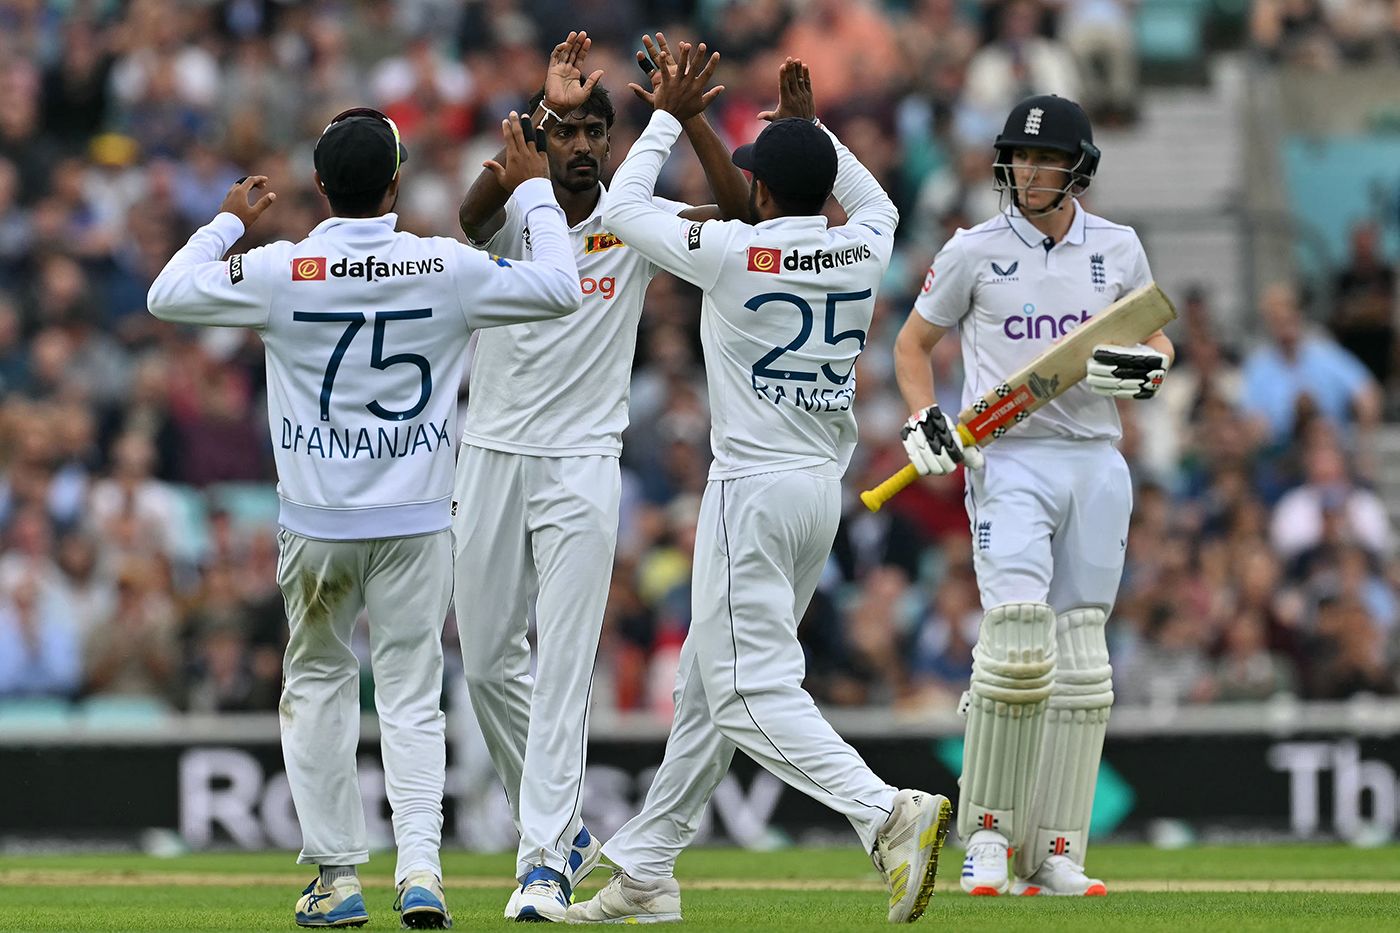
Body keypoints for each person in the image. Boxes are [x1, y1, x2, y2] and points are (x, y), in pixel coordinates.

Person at [147, 106, 582, 929]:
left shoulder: (282, 267)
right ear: (396, 182)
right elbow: (560, 287)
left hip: (316, 522)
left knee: (317, 687)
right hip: (417, 519)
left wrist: (225, 224)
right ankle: (421, 870)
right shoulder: (443, 265)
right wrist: (532, 195)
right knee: (414, 695)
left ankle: (338, 878)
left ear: (318, 186)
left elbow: (165, 295)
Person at [566, 52, 952, 925]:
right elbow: (877, 199)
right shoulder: (866, 244)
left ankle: (885, 811)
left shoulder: (735, 252)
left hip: (751, 490)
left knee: (744, 691)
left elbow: (622, 211)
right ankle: (648, 870)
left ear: (766, 194)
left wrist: (665, 115)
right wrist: (811, 131)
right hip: (820, 491)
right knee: (707, 690)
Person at [452, 31, 750, 922]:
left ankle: (542, 861)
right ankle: (568, 831)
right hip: (493, 449)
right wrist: (538, 119)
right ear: (546, 135)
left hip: (584, 461)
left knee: (563, 667)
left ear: (613, 146)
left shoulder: (633, 220)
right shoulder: (516, 202)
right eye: (567, 131)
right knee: (485, 664)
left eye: (594, 133)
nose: (581, 145)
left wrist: (690, 121)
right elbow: (470, 219)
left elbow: (741, 215)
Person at [892, 94, 1174, 896]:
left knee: (1083, 662)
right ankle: (985, 835)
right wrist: (925, 418)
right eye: (1018, 156)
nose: (1029, 170)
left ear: (1077, 166)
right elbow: (914, 346)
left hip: (1095, 459)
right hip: (1008, 459)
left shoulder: (1116, 247)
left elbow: (1157, 339)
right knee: (1018, 643)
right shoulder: (973, 251)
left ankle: (1053, 847)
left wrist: (1149, 369)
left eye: (1045, 158)